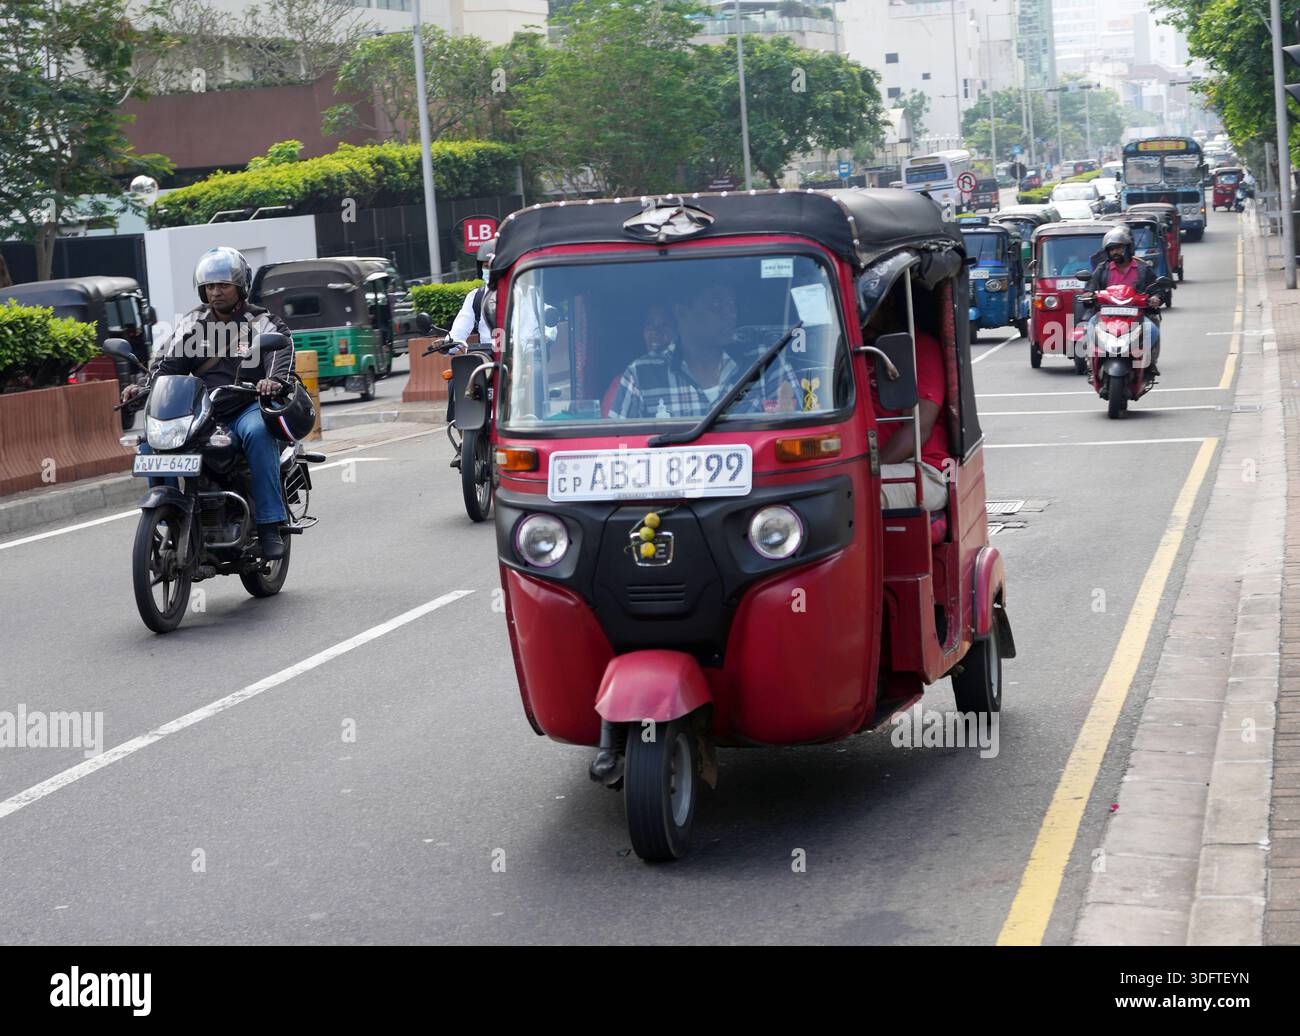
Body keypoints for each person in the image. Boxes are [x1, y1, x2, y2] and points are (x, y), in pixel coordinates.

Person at [123, 247, 295, 559]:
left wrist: (273, 381)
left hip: (245, 405)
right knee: (151, 444)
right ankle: (167, 514)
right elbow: (167, 364)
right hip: (202, 410)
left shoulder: (261, 322)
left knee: (258, 433)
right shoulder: (192, 324)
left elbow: (280, 352)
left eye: (223, 285)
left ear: (240, 286)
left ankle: (270, 523)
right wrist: (143, 388)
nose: (215, 292)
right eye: (210, 286)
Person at [608, 281, 799, 420]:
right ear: (682, 311)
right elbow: (616, 451)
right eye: (716, 304)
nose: (730, 313)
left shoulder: (767, 363)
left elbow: (795, 429)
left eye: (731, 304)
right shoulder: (641, 375)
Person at [864, 287, 950, 512]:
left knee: (852, 498)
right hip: (868, 466)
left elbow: (918, 429)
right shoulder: (860, 351)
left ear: (886, 301)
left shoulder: (919, 349)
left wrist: (868, 470)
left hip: (921, 468)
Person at [1085, 225, 1162, 376]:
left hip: (1137, 315)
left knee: (1152, 329)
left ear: (1128, 248)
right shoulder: (1102, 269)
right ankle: (1091, 361)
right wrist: (1088, 295)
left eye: (1119, 248)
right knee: (1089, 326)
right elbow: (1090, 288)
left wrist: (1156, 298)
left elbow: (1156, 289)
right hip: (1107, 316)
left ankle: (1149, 362)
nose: (1115, 252)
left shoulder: (1142, 269)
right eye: (1112, 249)